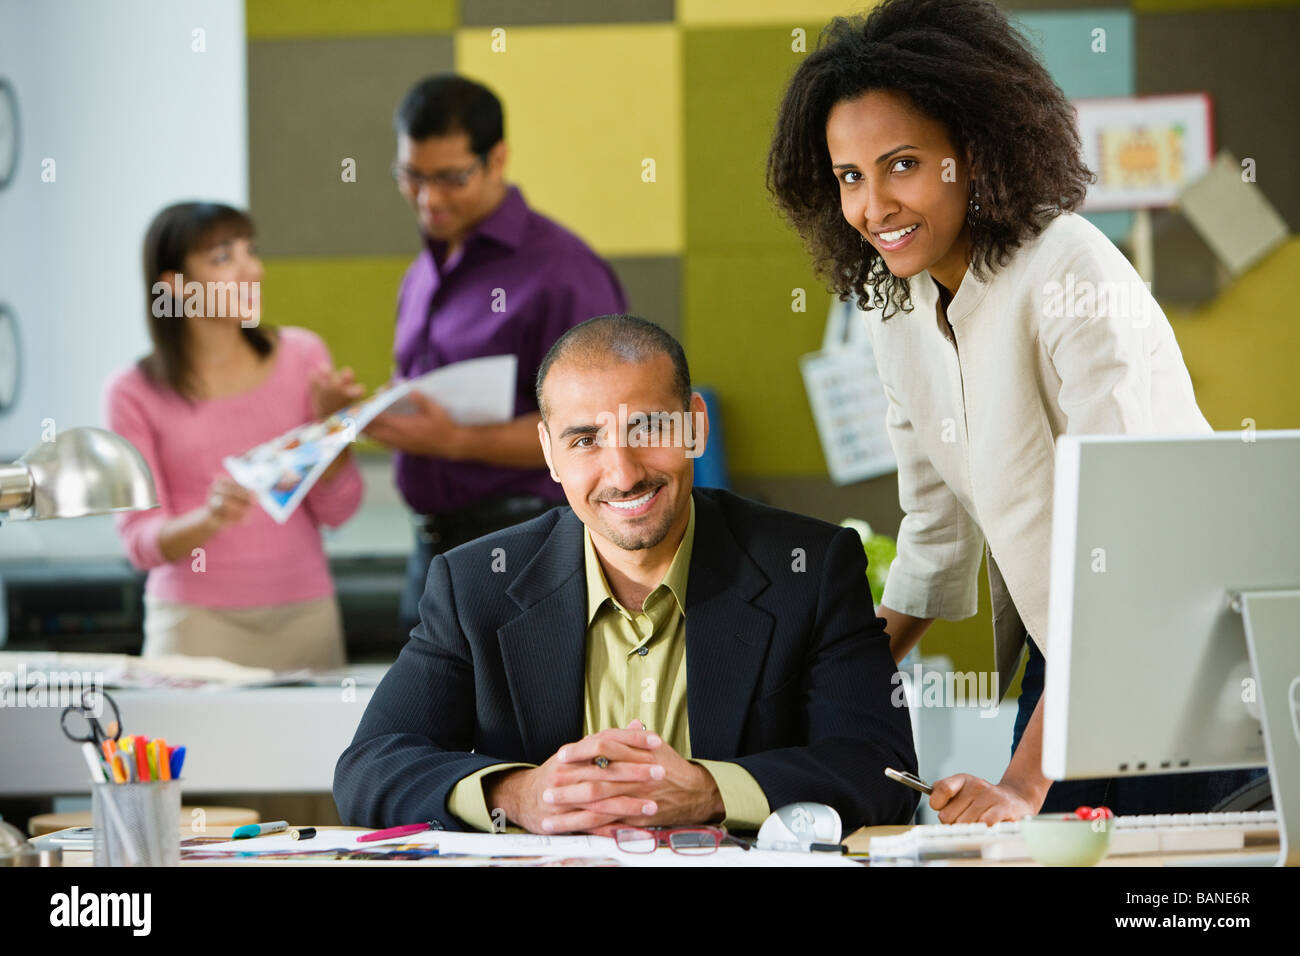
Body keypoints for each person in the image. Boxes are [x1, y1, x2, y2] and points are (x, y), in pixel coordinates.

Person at [766, 0, 1264, 822]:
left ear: (977, 148)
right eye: (850, 177)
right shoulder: (894, 304)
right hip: (1064, 650)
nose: (872, 206)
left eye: (901, 165)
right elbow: (934, 536)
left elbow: (1132, 551)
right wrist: (808, 699)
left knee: (1183, 894)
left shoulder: (1070, 267)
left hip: (1187, 654)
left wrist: (1024, 784)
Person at [334, 315, 918, 834]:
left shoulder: (809, 568)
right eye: (585, 440)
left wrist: (709, 793)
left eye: (647, 430)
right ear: (550, 454)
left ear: (694, 425)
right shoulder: (476, 584)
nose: (622, 471)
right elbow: (369, 767)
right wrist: (518, 795)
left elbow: (882, 771)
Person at [363, 74, 627, 637]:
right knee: (421, 726)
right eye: (412, 176)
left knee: (525, 725)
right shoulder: (423, 271)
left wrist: (454, 441)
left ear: (498, 158)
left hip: (524, 548)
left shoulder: (562, 270)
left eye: (450, 178)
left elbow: (602, 427)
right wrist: (364, 413)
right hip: (428, 549)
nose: (428, 198)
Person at [105, 201, 365, 670]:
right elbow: (140, 543)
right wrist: (209, 519)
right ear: (175, 287)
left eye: (251, 251)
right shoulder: (133, 392)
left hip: (305, 615)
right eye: (223, 258)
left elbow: (339, 509)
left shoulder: (304, 357)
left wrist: (334, 434)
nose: (253, 270)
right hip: (193, 623)